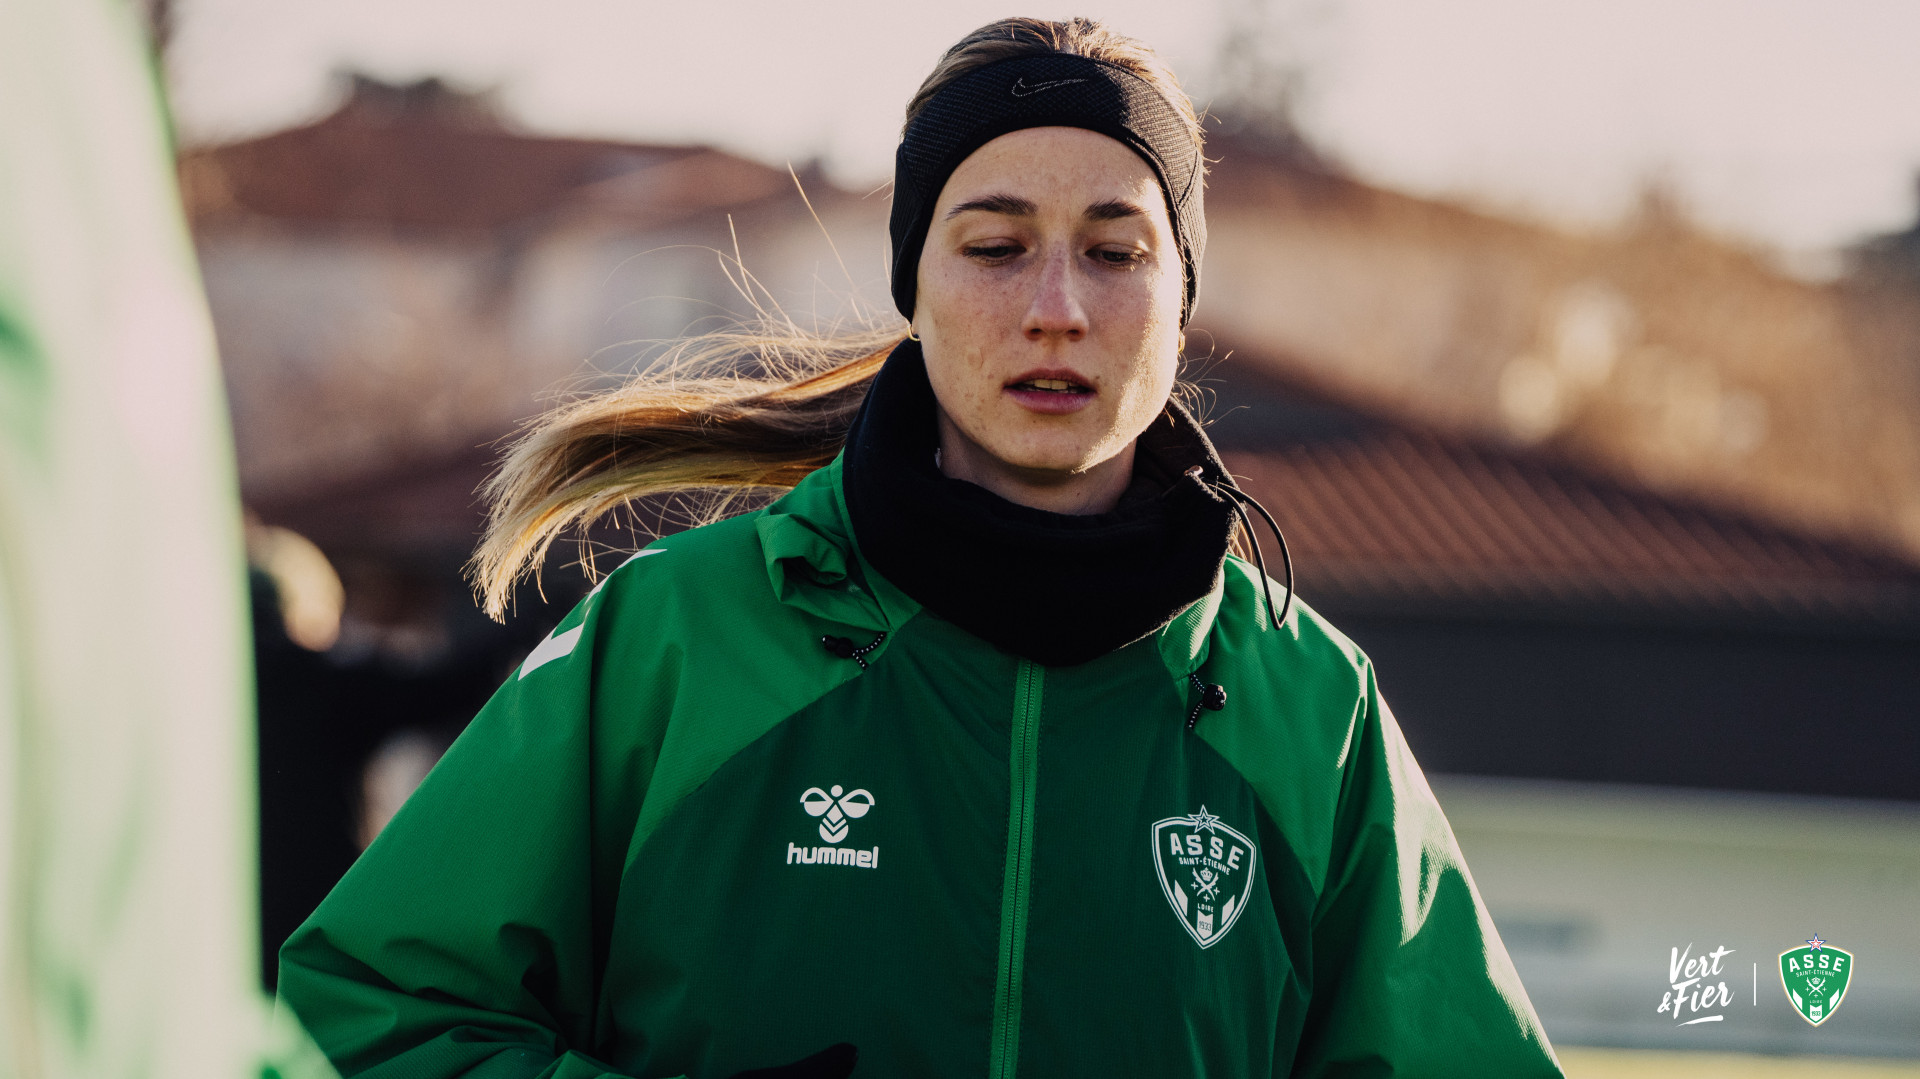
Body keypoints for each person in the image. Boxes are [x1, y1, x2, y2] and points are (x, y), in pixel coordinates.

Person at [277, 17, 1565, 1079]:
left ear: (1181, 299)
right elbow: (375, 1017)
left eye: (1116, 252)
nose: (1056, 309)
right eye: (996, 248)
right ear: (916, 281)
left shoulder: (1308, 705)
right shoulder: (675, 639)